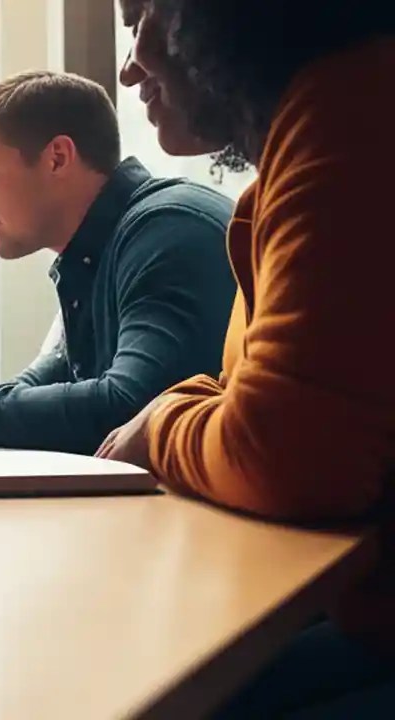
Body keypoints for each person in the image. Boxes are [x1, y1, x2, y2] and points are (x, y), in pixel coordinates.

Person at [100, 0, 395, 715]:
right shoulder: (295, 158)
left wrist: (155, 425)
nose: (129, 63)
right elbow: (243, 395)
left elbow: (284, 453)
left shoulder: (349, 110)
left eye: (141, 13)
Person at [0, 71, 234, 455]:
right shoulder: (94, 255)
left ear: (57, 158)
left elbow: (132, 410)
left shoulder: (169, 229)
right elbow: (30, 396)